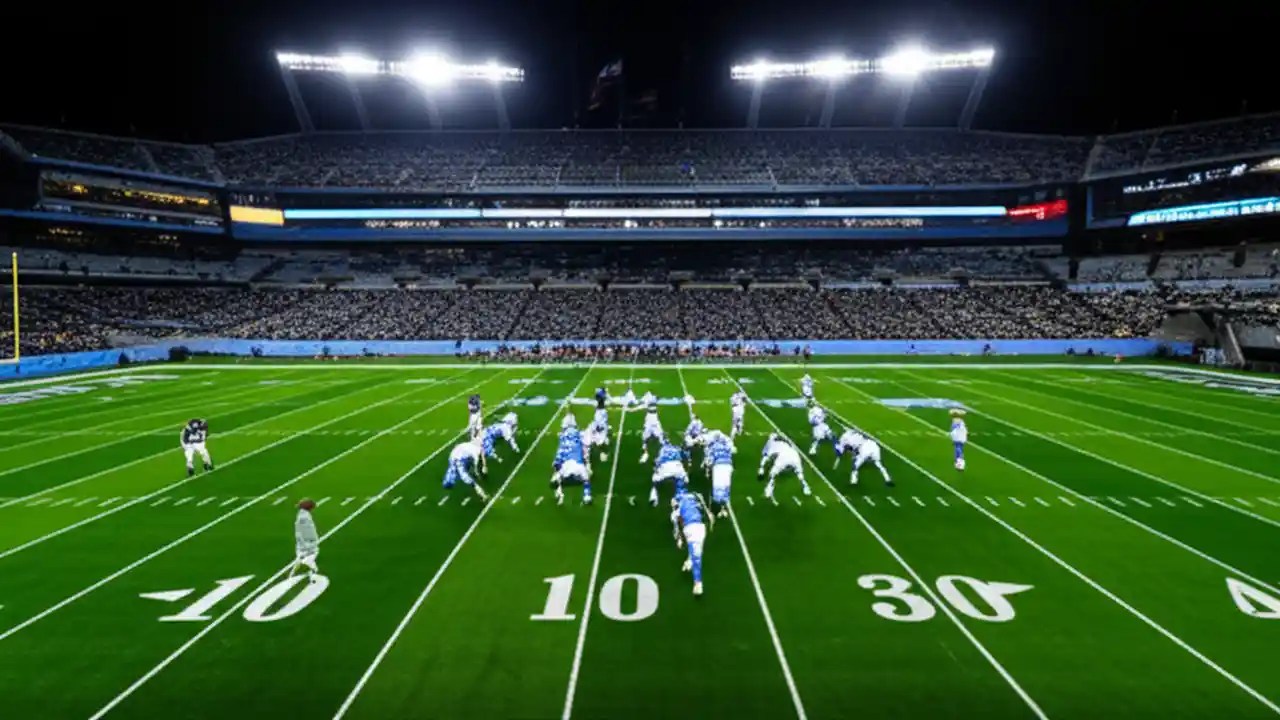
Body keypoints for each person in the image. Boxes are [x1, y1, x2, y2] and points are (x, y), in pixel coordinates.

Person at [671, 490, 713, 596]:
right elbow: (706, 511)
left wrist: (679, 538)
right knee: (697, 552)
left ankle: (698, 584)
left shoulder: (677, 509)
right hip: (701, 527)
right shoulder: (695, 498)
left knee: (697, 558)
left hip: (690, 529)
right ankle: (690, 561)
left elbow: (677, 524)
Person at [758, 433, 809, 499]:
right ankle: (805, 487)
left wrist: (761, 468)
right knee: (799, 472)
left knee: (772, 474)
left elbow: (766, 457)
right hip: (794, 455)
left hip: (783, 457)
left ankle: (769, 490)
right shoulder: (784, 442)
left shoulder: (771, 444)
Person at [291, 498, 321, 584]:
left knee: (303, 560)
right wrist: (306, 544)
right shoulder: (303, 517)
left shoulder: (304, 515)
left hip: (306, 543)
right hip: (307, 544)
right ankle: (311, 572)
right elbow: (301, 532)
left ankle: (295, 574)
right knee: (308, 559)